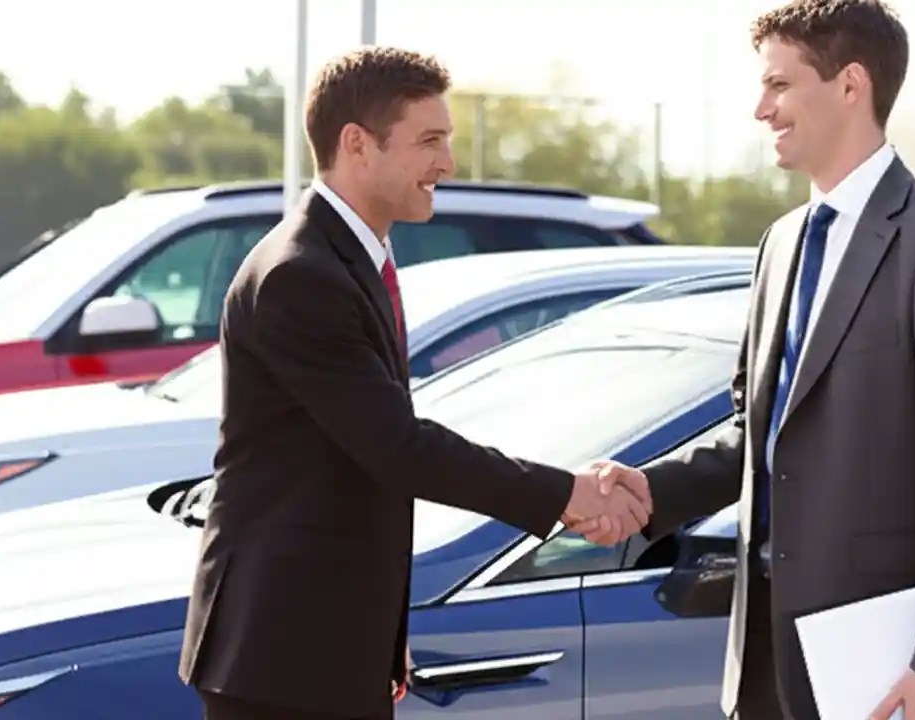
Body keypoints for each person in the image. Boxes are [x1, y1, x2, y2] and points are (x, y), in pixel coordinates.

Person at [579, 2, 915, 719]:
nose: (761, 109)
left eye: (779, 85)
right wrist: (646, 491)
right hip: (765, 660)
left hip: (888, 666)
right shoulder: (780, 244)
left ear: (851, 86)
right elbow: (759, 437)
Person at [177, 47, 651, 720]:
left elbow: (353, 469)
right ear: (357, 145)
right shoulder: (301, 274)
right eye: (429, 141)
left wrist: (379, 638)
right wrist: (567, 494)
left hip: (325, 643)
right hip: (283, 653)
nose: (448, 163)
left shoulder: (346, 258)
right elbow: (397, 448)